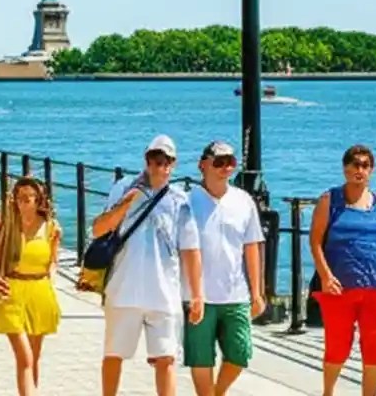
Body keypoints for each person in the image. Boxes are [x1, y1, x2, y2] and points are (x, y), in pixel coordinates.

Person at [91, 134, 204, 396]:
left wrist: (197, 295)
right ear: (147, 160)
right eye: (156, 159)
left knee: (166, 359)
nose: (160, 166)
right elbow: (98, 229)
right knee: (113, 354)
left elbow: (190, 249)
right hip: (123, 289)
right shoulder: (123, 187)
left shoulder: (179, 201)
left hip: (164, 294)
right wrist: (128, 200)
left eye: (166, 161)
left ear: (173, 164)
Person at [309, 144, 376, 396]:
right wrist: (325, 275)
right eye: (355, 164)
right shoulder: (329, 200)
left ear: (371, 170)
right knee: (338, 347)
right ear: (345, 168)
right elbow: (315, 241)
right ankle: (328, 392)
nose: (359, 170)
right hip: (339, 287)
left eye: (365, 165)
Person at [183, 141, 265, 396]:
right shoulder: (187, 201)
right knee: (200, 357)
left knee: (240, 353)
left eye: (230, 162)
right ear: (203, 165)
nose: (225, 168)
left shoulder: (243, 200)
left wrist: (257, 292)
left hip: (235, 294)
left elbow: (252, 246)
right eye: (219, 162)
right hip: (197, 296)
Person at [0, 177, 61, 396]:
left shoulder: (50, 227)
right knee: (25, 357)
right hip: (12, 290)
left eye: (27, 198)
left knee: (34, 357)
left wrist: (52, 281)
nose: (22, 202)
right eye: (18, 197)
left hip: (39, 291)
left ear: (38, 200)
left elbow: (53, 261)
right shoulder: (8, 224)